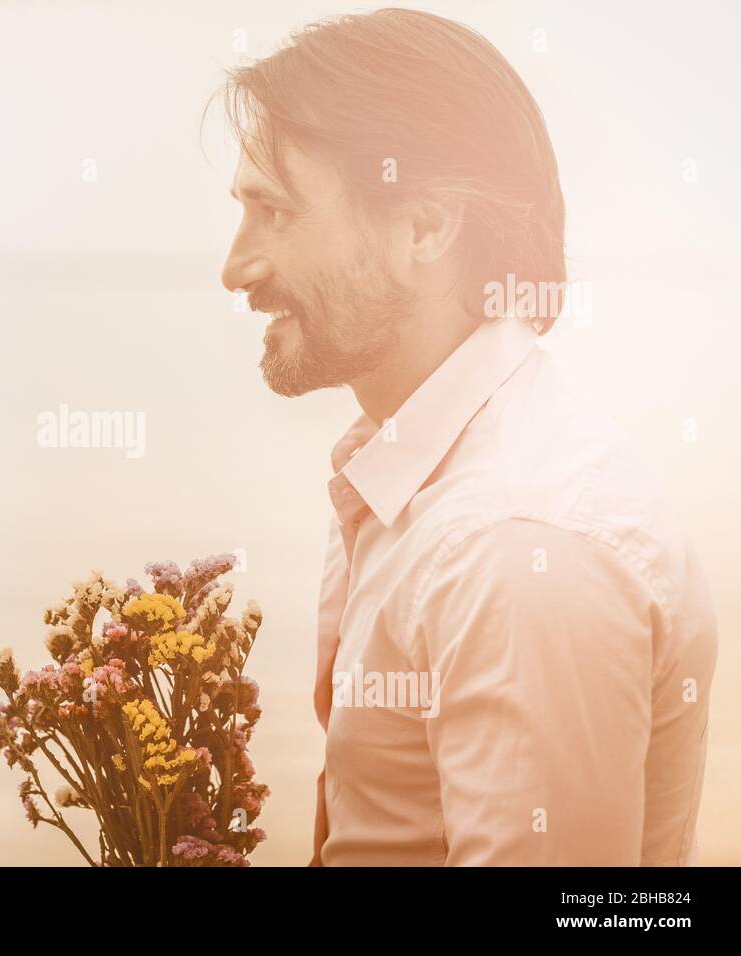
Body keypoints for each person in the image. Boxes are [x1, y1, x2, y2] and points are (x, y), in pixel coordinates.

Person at [218, 9, 717, 865]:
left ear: (425, 228)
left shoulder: (516, 546)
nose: (236, 267)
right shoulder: (409, 467)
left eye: (275, 212)